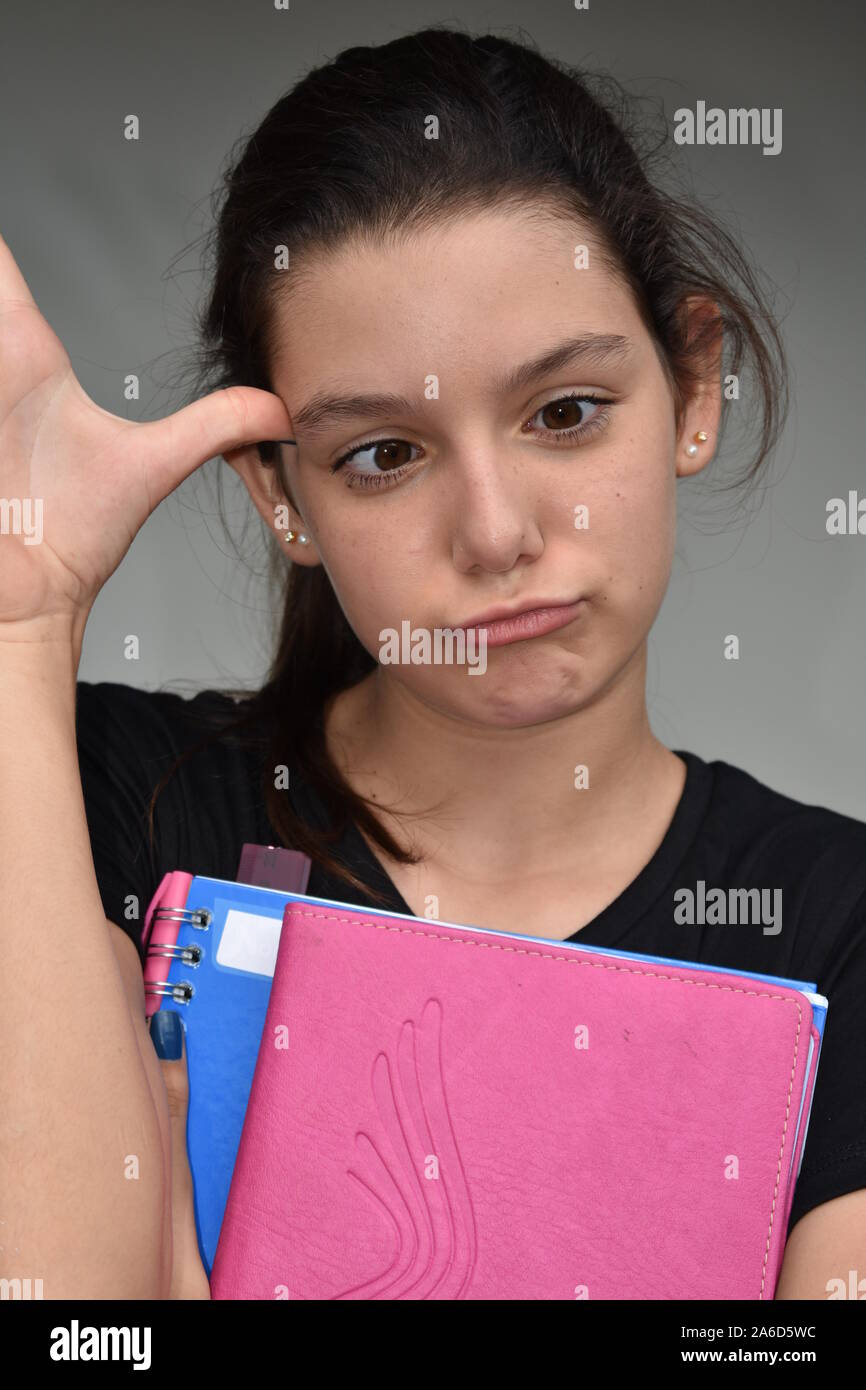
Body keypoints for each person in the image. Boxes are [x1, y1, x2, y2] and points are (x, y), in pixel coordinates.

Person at [2, 27, 864, 1302]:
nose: (496, 532)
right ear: (281, 496)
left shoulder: (838, 918)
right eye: (383, 454)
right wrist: (19, 629)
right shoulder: (78, 789)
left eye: (563, 414)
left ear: (692, 384)